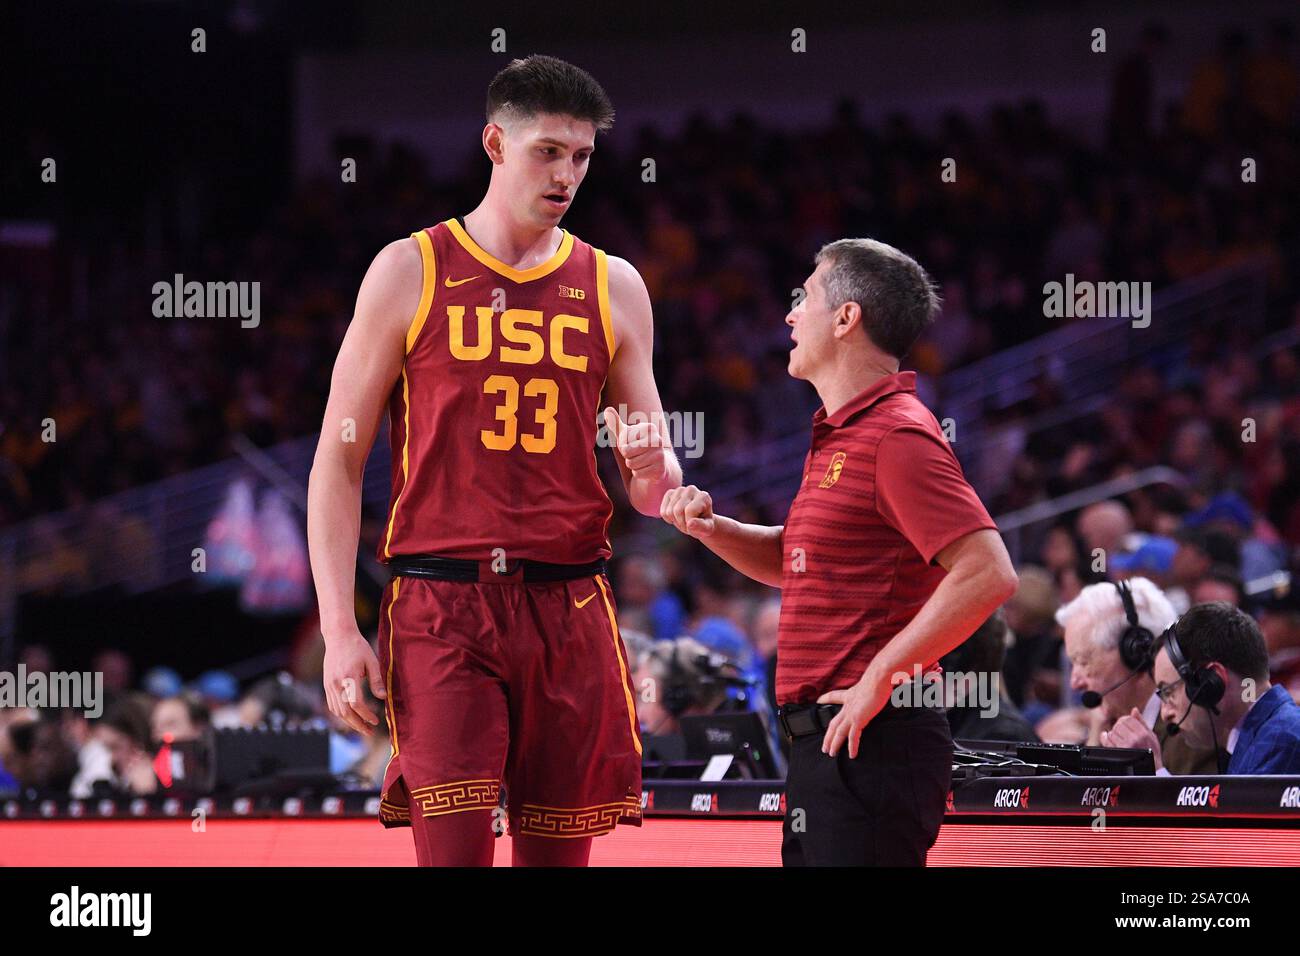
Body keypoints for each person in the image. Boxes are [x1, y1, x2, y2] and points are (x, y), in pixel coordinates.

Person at [307, 55, 682, 866]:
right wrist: (341, 629)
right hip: (444, 602)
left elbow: (650, 482)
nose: (567, 174)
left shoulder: (615, 285)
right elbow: (337, 462)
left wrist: (660, 478)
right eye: (548, 151)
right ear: (495, 143)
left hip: (569, 600)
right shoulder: (410, 268)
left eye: (582, 157)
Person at [660, 237, 1016, 865]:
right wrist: (712, 528)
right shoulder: (843, 433)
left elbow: (988, 571)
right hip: (828, 748)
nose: (791, 314)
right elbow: (791, 562)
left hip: (874, 743)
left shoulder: (897, 432)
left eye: (807, 297)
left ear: (847, 318)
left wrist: (881, 676)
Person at [1111, 601, 1300, 774]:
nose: (1165, 713)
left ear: (1211, 680)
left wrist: (1153, 774)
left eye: (1169, 692)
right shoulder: (1265, 736)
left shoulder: (1280, 742)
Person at [1057, 578, 1217, 774]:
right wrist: (1094, 742)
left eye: (1083, 662)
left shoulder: (1193, 733)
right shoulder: (1105, 726)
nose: (1075, 682)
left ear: (1138, 652)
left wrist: (1151, 771)